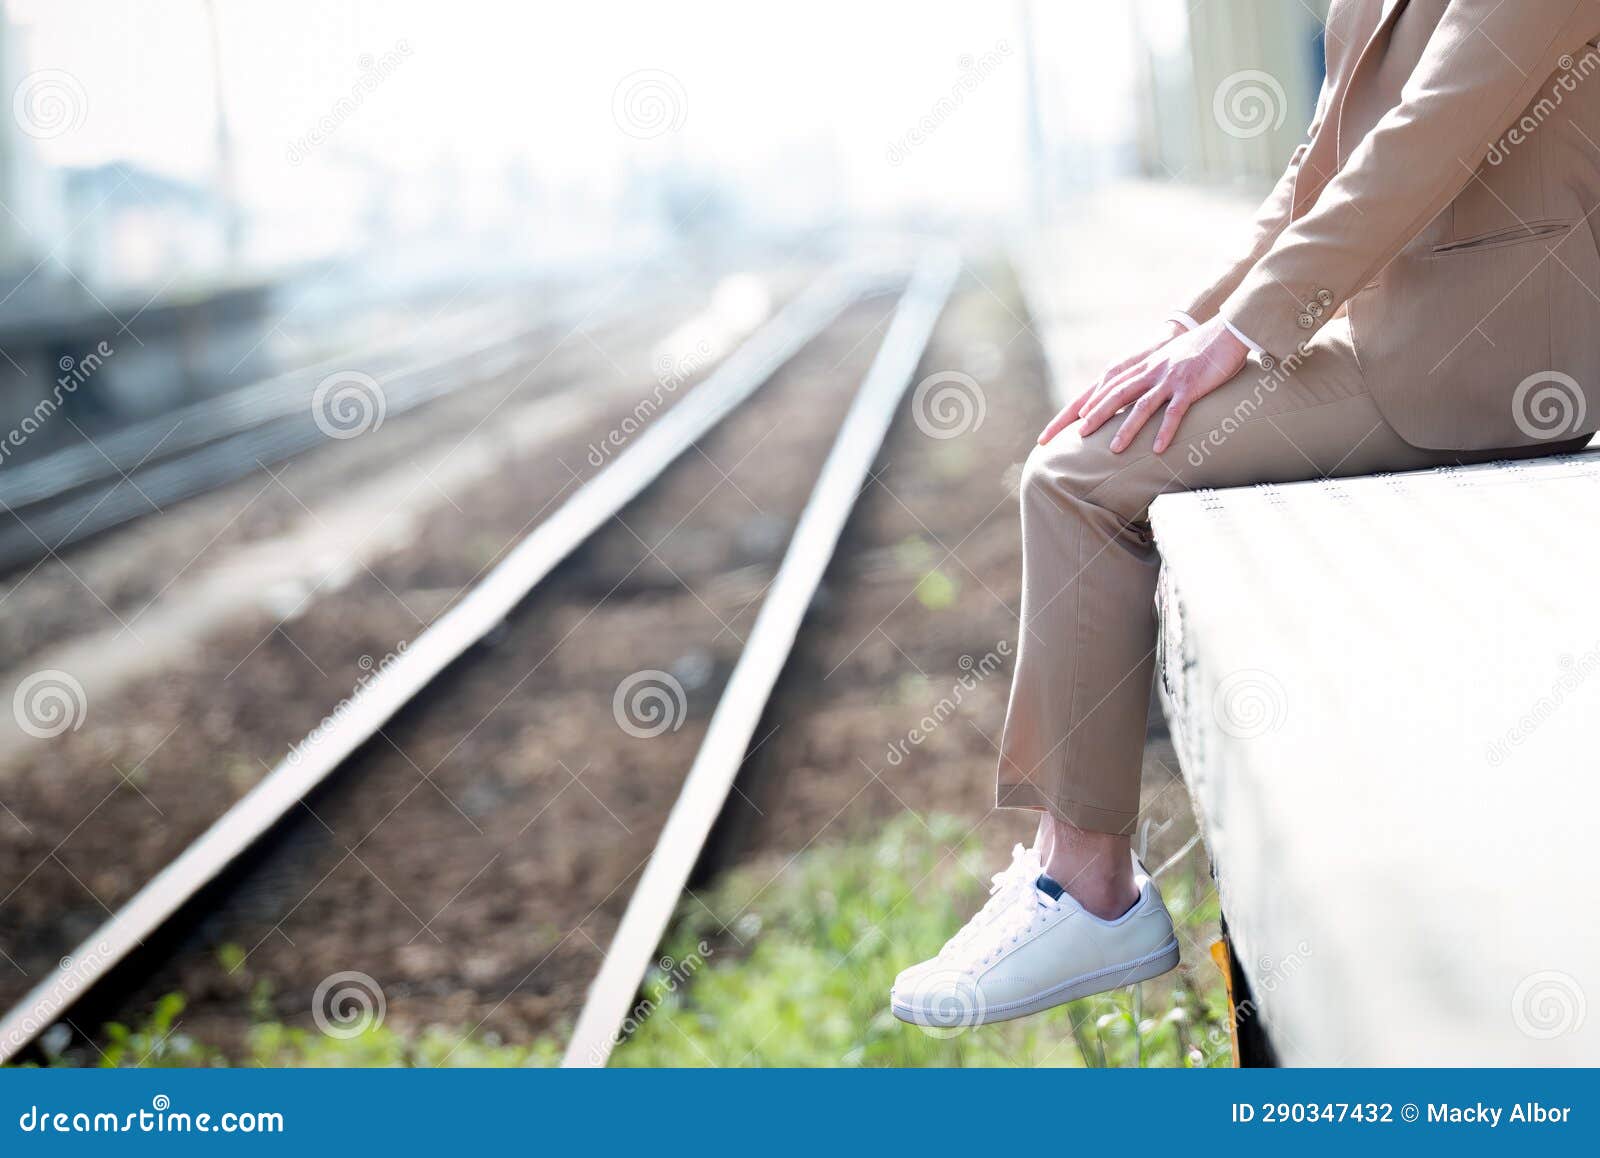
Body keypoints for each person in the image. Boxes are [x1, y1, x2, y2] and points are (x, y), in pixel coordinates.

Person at [892, 0, 1600, 1029]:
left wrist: (1246, 330)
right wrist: (1189, 326)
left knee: (1080, 480)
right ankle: (1069, 873)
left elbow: (1427, 135)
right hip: (1391, 332)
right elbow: (1320, 162)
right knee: (1079, 450)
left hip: (1483, 365)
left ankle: (1089, 888)